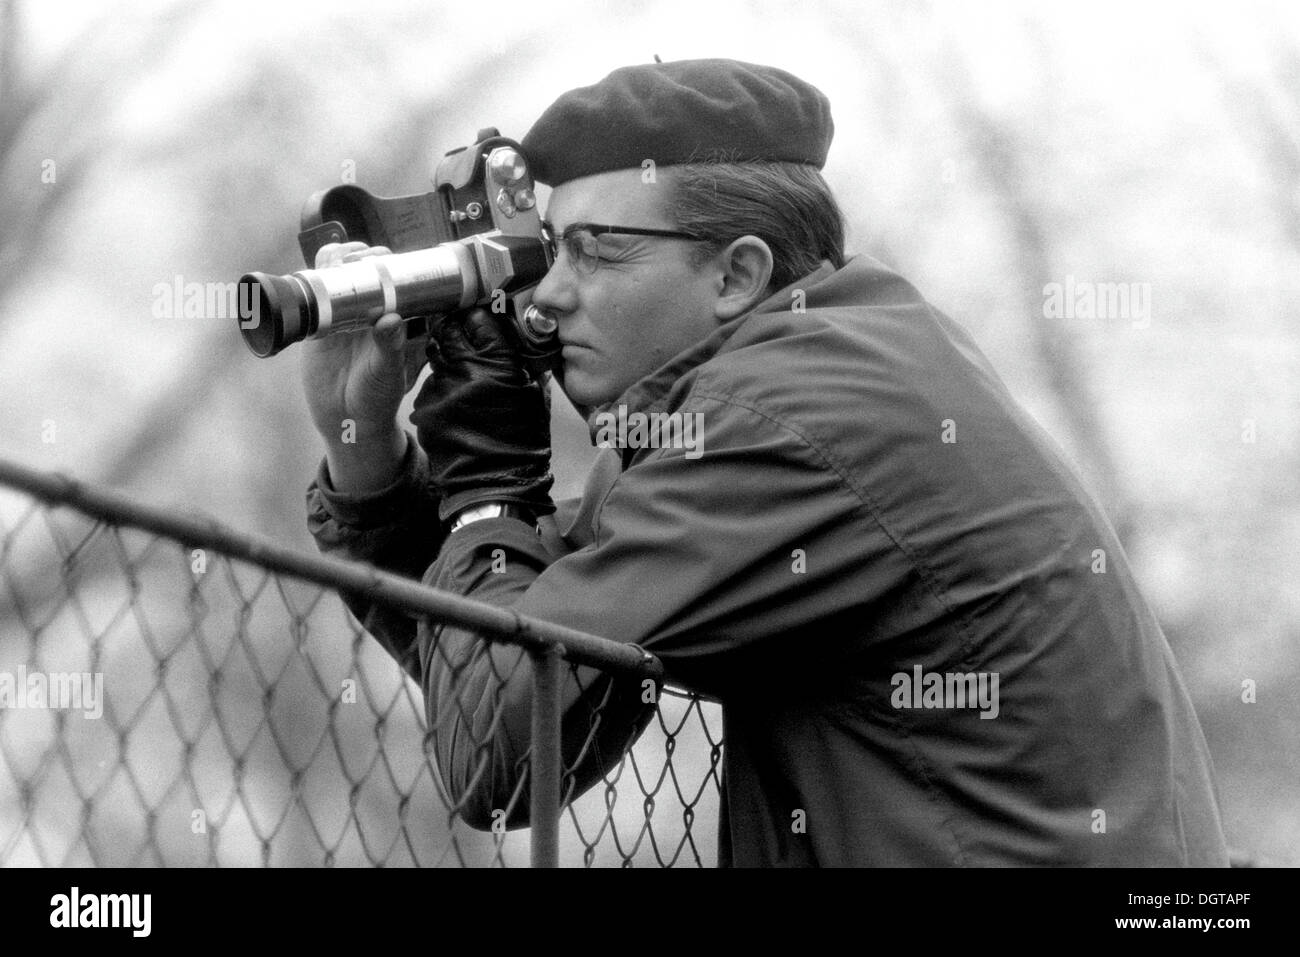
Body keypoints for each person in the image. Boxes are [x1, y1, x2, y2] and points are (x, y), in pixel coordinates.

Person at [302, 58, 1230, 866]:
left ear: (738, 275)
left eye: (596, 250)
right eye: (551, 249)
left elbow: (499, 755)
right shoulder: (841, 365)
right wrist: (368, 453)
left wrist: (489, 476)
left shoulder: (780, 423)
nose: (548, 290)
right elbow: (513, 653)